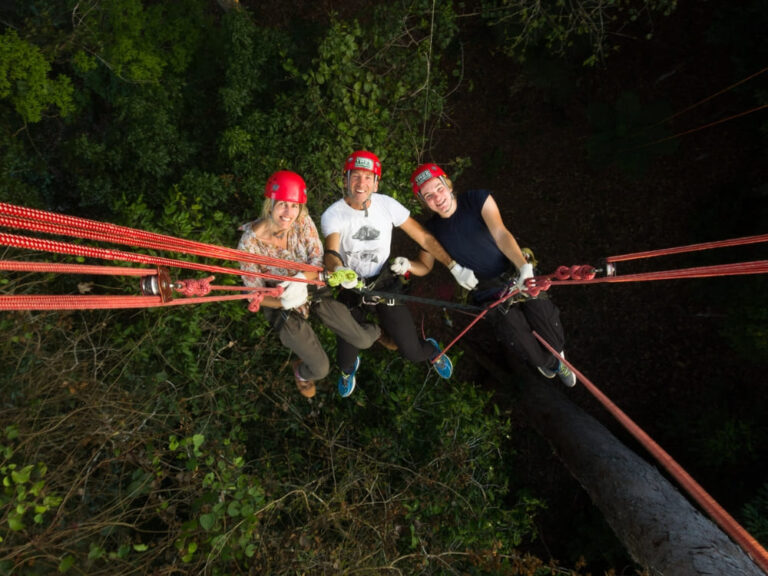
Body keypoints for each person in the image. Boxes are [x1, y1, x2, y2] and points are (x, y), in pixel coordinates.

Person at [320, 150, 479, 397]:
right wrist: (339, 269)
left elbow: (424, 237)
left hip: (383, 284)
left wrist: (453, 266)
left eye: (368, 177)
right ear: (345, 179)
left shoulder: (387, 205)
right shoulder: (333, 214)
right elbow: (331, 252)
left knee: (413, 352)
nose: (361, 183)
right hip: (351, 287)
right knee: (345, 358)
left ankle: (432, 350)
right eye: (355, 176)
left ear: (376, 183)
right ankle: (349, 368)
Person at [403, 162, 577, 387]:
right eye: (429, 196)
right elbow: (425, 266)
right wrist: (407, 265)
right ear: (424, 202)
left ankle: (555, 354)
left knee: (547, 323)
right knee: (520, 340)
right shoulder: (432, 231)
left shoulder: (477, 200)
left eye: (439, 188)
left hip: (514, 271)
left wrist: (524, 268)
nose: (438, 198)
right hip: (488, 291)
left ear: (448, 184)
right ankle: (550, 363)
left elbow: (500, 233)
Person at [238, 170, 382, 399]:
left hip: (314, 289)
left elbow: (317, 260)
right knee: (320, 369)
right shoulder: (248, 244)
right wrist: (284, 300)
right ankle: (301, 372)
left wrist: (302, 281)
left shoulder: (302, 221)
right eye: (282, 204)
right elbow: (254, 293)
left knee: (364, 340)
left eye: (294, 206)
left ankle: (379, 333)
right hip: (282, 305)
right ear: (270, 204)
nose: (289, 213)